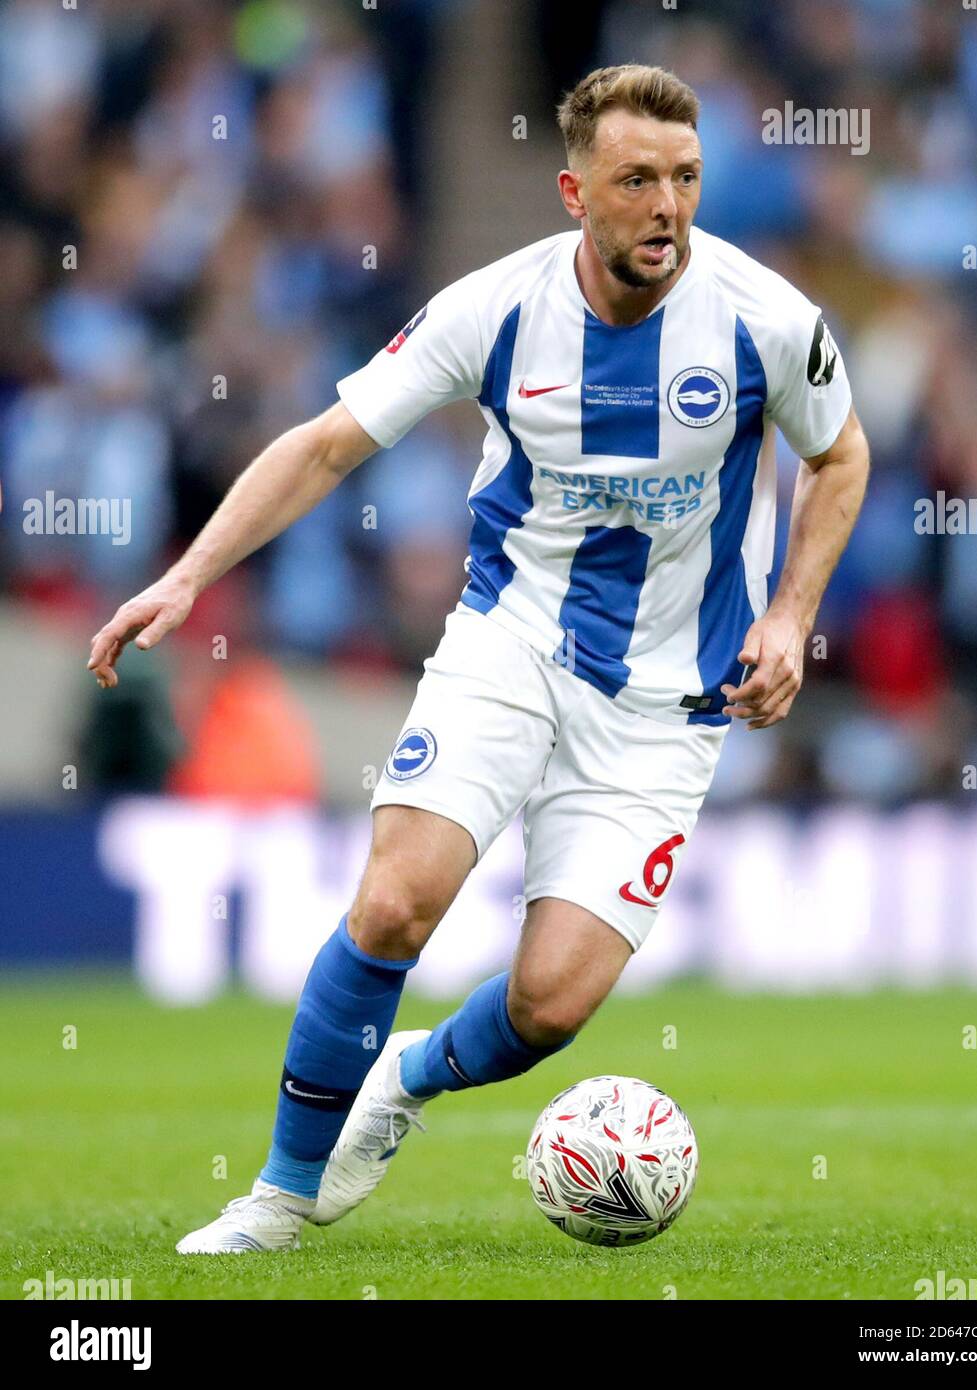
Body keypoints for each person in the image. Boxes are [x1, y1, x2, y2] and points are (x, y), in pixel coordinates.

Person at [87, 64, 870, 1253]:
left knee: (550, 1004)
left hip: (669, 704)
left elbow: (840, 453)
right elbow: (325, 445)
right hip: (510, 643)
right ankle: (281, 1194)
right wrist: (189, 573)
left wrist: (787, 611)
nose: (667, 207)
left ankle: (401, 1080)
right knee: (396, 902)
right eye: (637, 180)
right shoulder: (492, 310)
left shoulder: (765, 318)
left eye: (685, 179)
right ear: (573, 192)